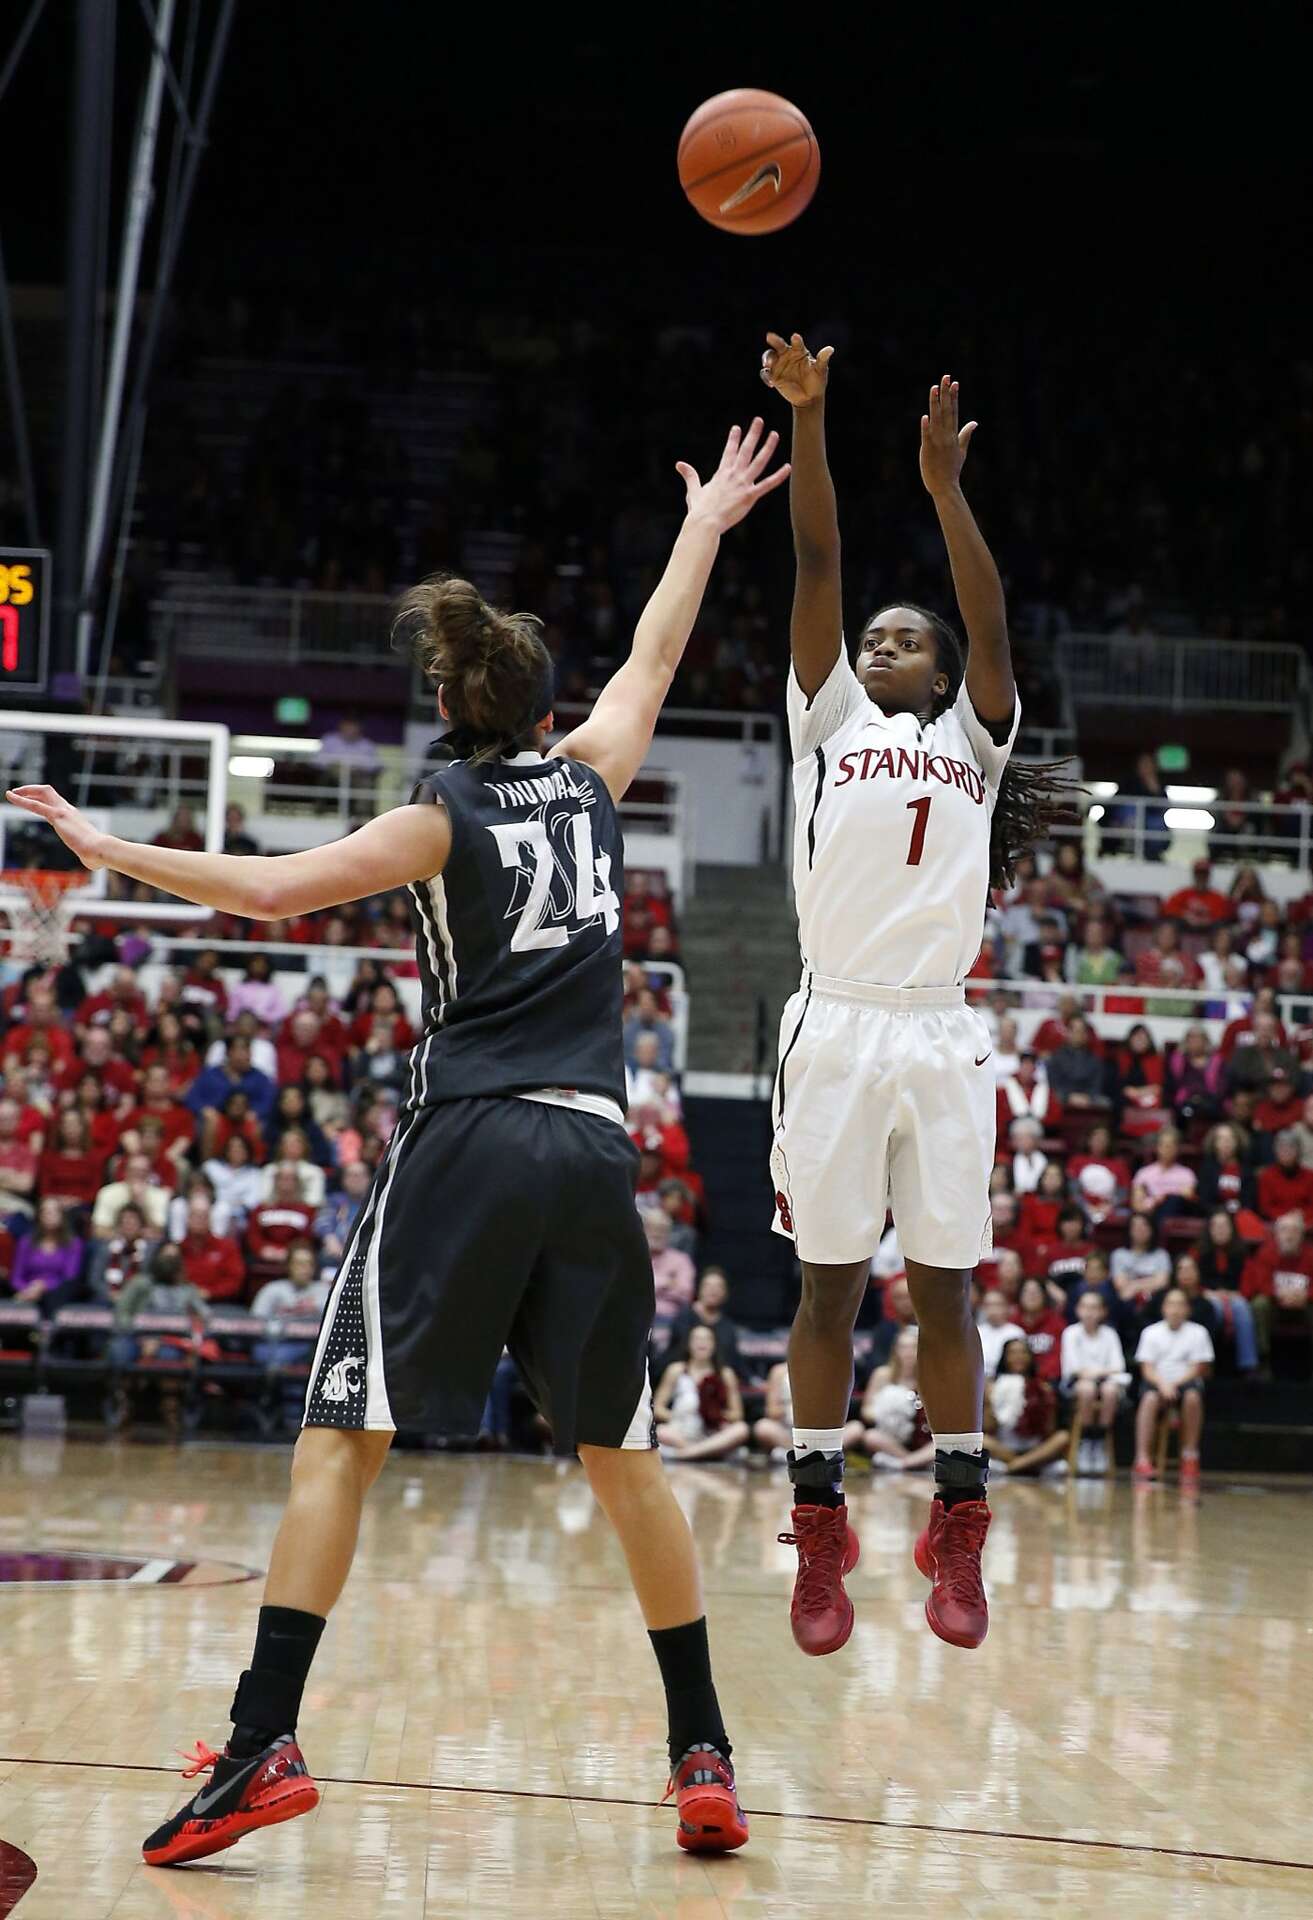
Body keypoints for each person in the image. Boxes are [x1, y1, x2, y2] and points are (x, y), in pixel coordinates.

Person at [7, 413, 788, 1863]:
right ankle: (704, 1756)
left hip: (475, 1136)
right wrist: (703, 527)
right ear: (542, 706)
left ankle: (258, 1742)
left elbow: (273, 894)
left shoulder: (442, 817)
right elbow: (655, 660)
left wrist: (110, 850)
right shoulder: (596, 776)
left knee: (336, 1439)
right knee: (624, 1459)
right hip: (600, 1148)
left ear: (448, 699)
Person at [759, 336, 1070, 1658]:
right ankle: (818, 1524)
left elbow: (991, 621)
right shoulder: (825, 722)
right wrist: (814, 419)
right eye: (876, 635)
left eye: (908, 637)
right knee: (828, 1288)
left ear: (941, 675)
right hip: (833, 1018)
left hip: (941, 1029)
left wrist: (945, 493)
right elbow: (818, 561)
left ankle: (958, 1516)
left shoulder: (972, 740)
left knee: (944, 1293)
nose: (884, 637)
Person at [1133, 1286, 1214, 1482]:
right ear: (1163, 1308)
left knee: (1193, 1398)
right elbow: (1147, 1368)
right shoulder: (1150, 1332)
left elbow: (1199, 1368)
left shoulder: (1198, 1332)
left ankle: (1190, 1455)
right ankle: (1142, 1458)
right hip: (1158, 1381)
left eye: (1180, 1304)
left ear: (1188, 1309)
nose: (1175, 1309)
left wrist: (1175, 1384)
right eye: (1171, 1304)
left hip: (1185, 1380)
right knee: (1149, 1399)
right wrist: (1163, 1384)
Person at [653, 1323, 751, 1463]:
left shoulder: (725, 1374)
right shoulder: (676, 1370)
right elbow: (657, 1408)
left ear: (715, 1344)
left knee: (741, 1429)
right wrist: (678, 1417)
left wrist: (714, 1414)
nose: (702, 1343)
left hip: (713, 1433)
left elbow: (737, 1414)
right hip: (682, 1430)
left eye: (707, 1339)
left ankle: (684, 1454)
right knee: (660, 1431)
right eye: (697, 1339)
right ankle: (708, 1452)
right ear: (688, 1344)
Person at [1060, 1290, 1129, 1474]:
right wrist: (1099, 1373)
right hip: (1077, 1384)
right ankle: (1086, 1439)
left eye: (1094, 1307)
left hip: (1106, 1382)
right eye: (1085, 1307)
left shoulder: (1110, 1334)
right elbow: (1074, 1369)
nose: (1089, 1312)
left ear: (1103, 1312)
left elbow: (1118, 1366)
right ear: (1077, 1310)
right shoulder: (1071, 1333)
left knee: (1110, 1390)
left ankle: (1099, 1442)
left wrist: (1095, 1373)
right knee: (1087, 1388)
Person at [984, 1337, 1071, 1475]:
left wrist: (1046, 1404)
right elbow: (989, 1427)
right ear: (1004, 1357)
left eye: (1023, 1353)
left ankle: (1013, 1467)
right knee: (983, 1439)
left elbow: (1049, 1430)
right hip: (1003, 1447)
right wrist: (989, 1403)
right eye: (1013, 1353)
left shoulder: (1043, 1387)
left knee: (1063, 1437)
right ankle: (1026, 1465)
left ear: (1031, 1357)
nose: (1018, 1357)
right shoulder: (992, 1387)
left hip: (1034, 1447)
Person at [858, 1326, 935, 1470]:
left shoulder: (930, 1378)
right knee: (871, 1436)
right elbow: (866, 1410)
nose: (908, 1353)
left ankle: (904, 1463)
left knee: (941, 1443)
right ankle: (913, 1462)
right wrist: (887, 1415)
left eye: (913, 1347)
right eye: (903, 1347)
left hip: (922, 1437)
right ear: (896, 1350)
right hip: (892, 1438)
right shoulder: (882, 1374)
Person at [976, 1287, 1025, 1377]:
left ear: (1007, 1307)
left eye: (997, 1304)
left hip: (1008, 1378)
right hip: (980, 1378)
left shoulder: (1016, 1332)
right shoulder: (976, 1332)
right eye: (989, 1305)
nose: (993, 1309)